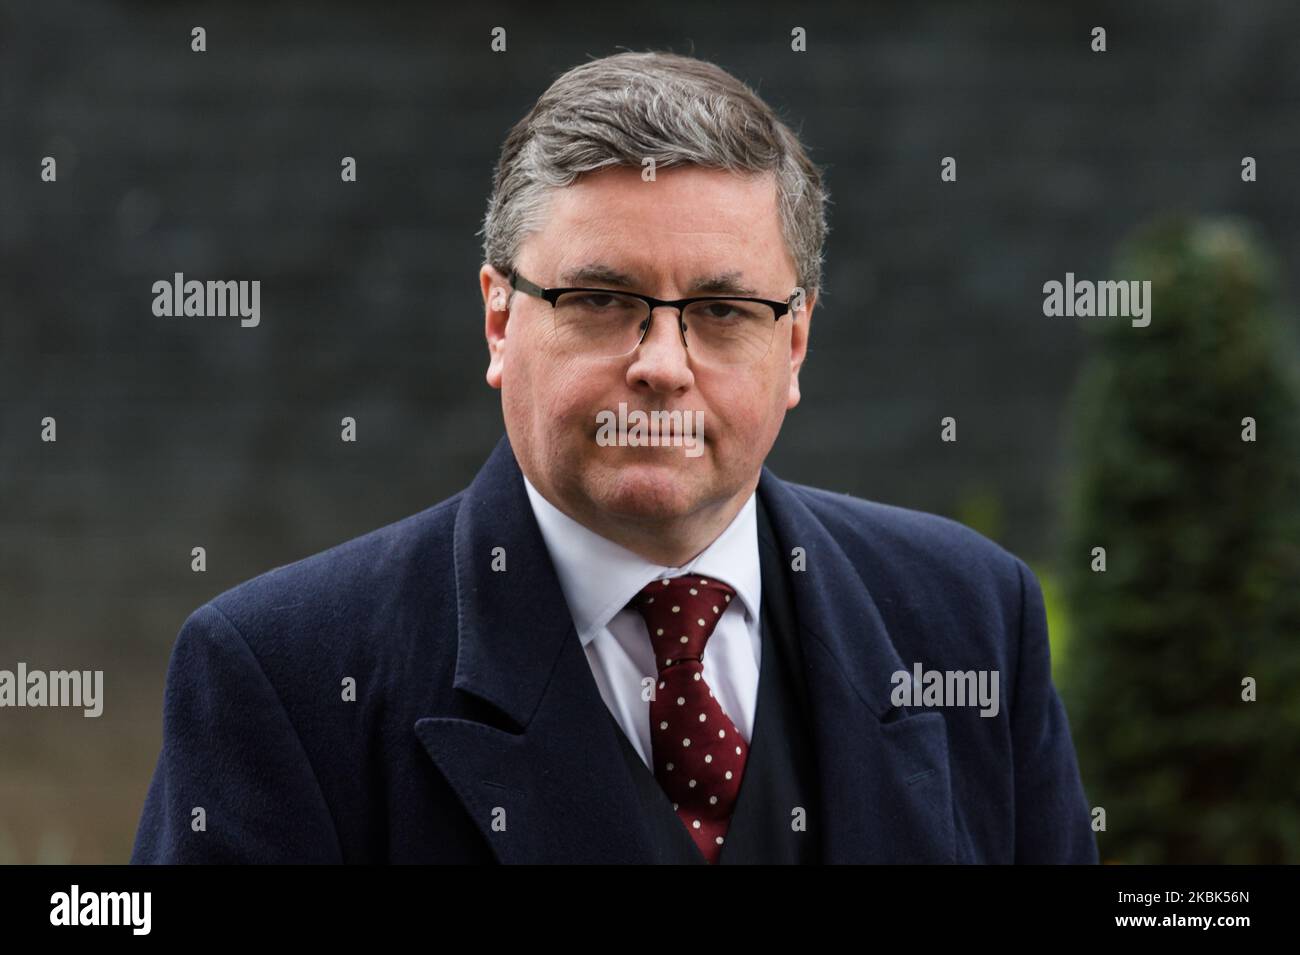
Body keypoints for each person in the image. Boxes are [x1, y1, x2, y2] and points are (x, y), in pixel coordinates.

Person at [131, 50, 1097, 864]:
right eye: (600, 300)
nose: (662, 367)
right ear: (500, 319)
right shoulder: (280, 675)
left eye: (722, 311)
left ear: (794, 344)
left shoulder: (971, 619)